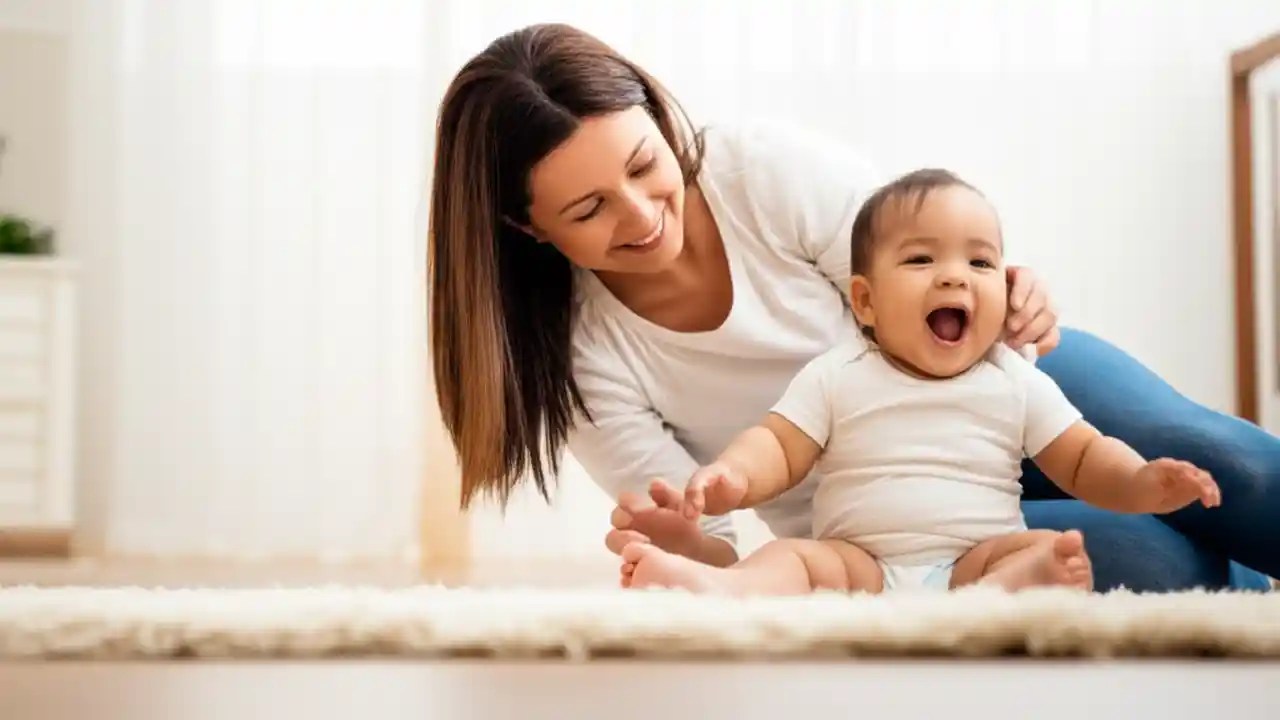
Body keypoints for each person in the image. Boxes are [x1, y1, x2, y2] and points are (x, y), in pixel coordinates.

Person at [426, 22, 1278, 592]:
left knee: (1212, 463)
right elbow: (726, 545)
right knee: (1141, 555)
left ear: (654, 113)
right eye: (588, 212)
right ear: (524, 227)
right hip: (886, 528)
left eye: (644, 166)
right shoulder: (576, 358)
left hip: (998, 386)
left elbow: (926, 258)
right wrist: (694, 547)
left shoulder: (757, 171)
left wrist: (1004, 293)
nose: (645, 217)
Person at [618, 168, 1221, 595]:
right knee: (791, 560)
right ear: (866, 301)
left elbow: (1086, 459)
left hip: (975, 559)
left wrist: (1142, 482)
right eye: (921, 260)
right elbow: (777, 445)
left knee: (1043, 549)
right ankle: (725, 591)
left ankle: (1001, 598)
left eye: (980, 262)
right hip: (860, 566)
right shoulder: (838, 373)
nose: (954, 277)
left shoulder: (1014, 380)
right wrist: (734, 478)